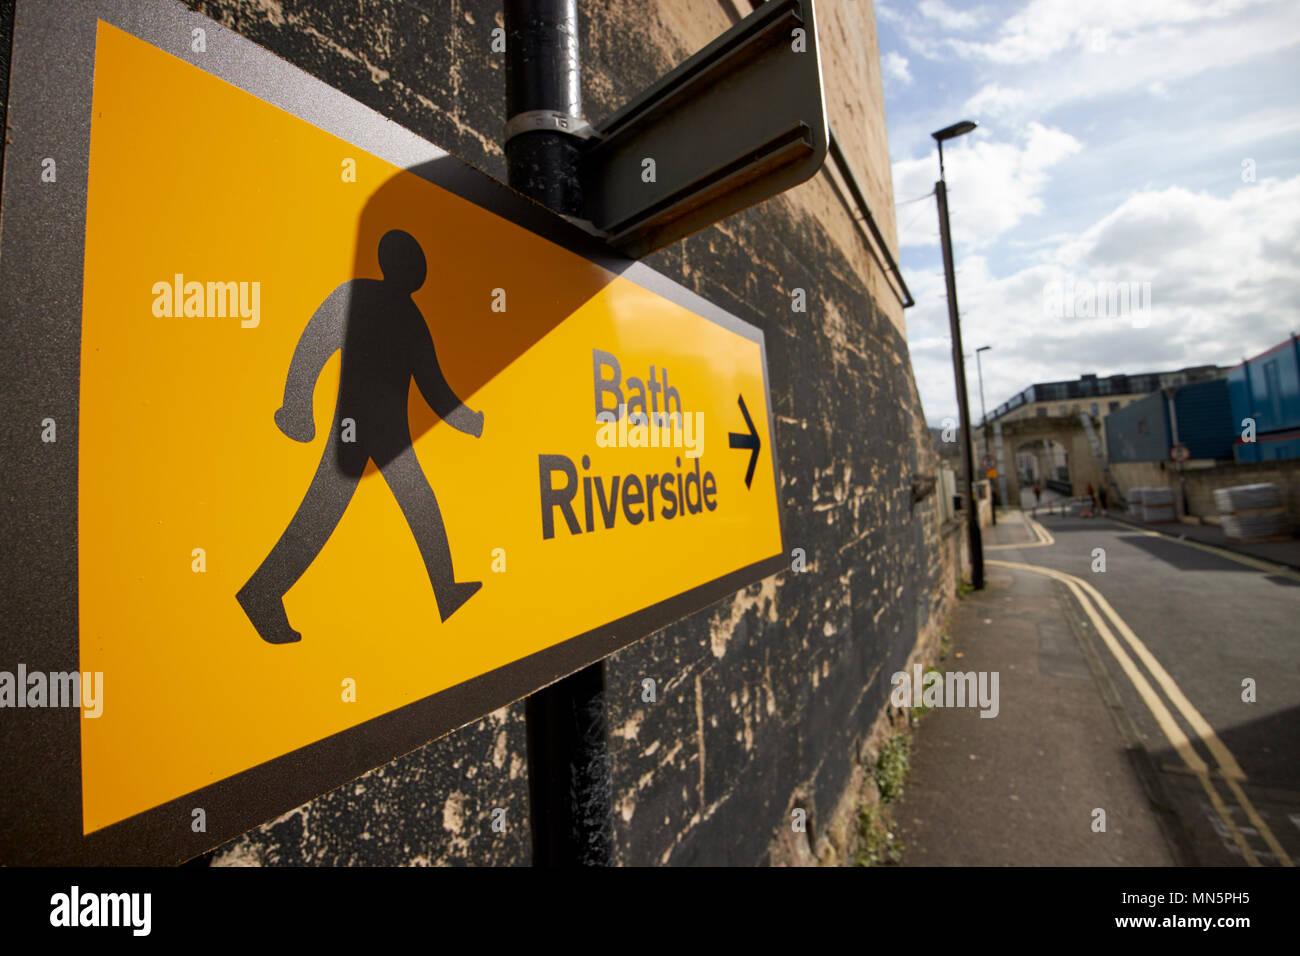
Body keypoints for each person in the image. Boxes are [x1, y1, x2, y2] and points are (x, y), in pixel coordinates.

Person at [237, 230, 484, 645]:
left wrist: (470, 420)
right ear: (399, 265)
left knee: (409, 502)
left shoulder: (394, 310)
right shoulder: (374, 302)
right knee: (324, 514)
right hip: (363, 429)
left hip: (383, 432)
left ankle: (445, 590)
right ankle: (263, 592)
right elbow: (316, 345)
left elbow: (433, 386)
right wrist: (296, 407)